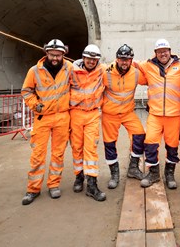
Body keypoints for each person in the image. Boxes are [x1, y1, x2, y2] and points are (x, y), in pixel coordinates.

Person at [20, 39, 72, 205]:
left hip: (62, 117)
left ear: (64, 54)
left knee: (58, 154)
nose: (55, 58)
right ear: (46, 53)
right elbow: (26, 91)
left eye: (58, 55)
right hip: (43, 118)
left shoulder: (69, 68)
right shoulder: (34, 71)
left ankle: (54, 184)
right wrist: (36, 105)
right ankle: (33, 189)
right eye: (52, 55)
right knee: (38, 154)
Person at [136, 39, 180, 189]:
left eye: (165, 51)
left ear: (170, 51)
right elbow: (131, 62)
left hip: (174, 116)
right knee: (150, 143)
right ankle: (153, 173)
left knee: (172, 146)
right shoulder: (148, 65)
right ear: (155, 53)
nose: (163, 54)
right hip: (155, 115)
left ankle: (169, 174)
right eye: (159, 51)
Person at [102, 44, 147, 189]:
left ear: (132, 60)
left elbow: (154, 80)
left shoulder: (135, 73)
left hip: (128, 113)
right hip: (110, 115)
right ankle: (114, 174)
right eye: (121, 59)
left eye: (127, 59)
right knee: (109, 144)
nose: (124, 62)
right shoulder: (106, 72)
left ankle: (133, 168)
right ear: (116, 59)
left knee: (139, 135)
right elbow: (89, 73)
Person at [70, 44, 107, 201]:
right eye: (89, 59)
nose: (91, 62)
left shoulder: (102, 70)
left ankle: (92, 184)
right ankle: (79, 177)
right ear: (83, 58)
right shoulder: (71, 71)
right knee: (77, 148)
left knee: (90, 149)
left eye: (94, 59)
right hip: (76, 114)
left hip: (92, 114)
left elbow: (120, 66)